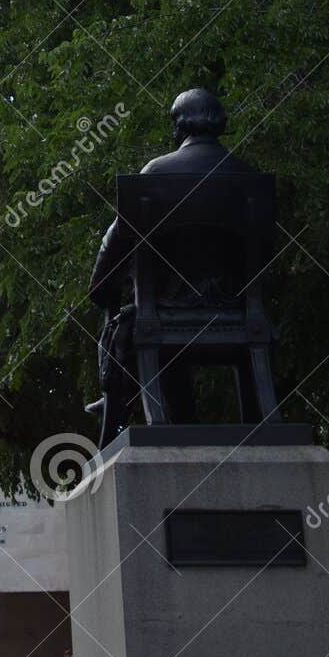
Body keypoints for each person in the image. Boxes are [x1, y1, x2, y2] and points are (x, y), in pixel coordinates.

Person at [88, 89, 252, 444]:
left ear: (180, 125)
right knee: (144, 319)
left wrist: (101, 288)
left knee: (126, 321)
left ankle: (114, 395)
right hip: (237, 311)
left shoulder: (156, 173)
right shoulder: (247, 176)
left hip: (164, 313)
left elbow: (114, 243)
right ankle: (188, 418)